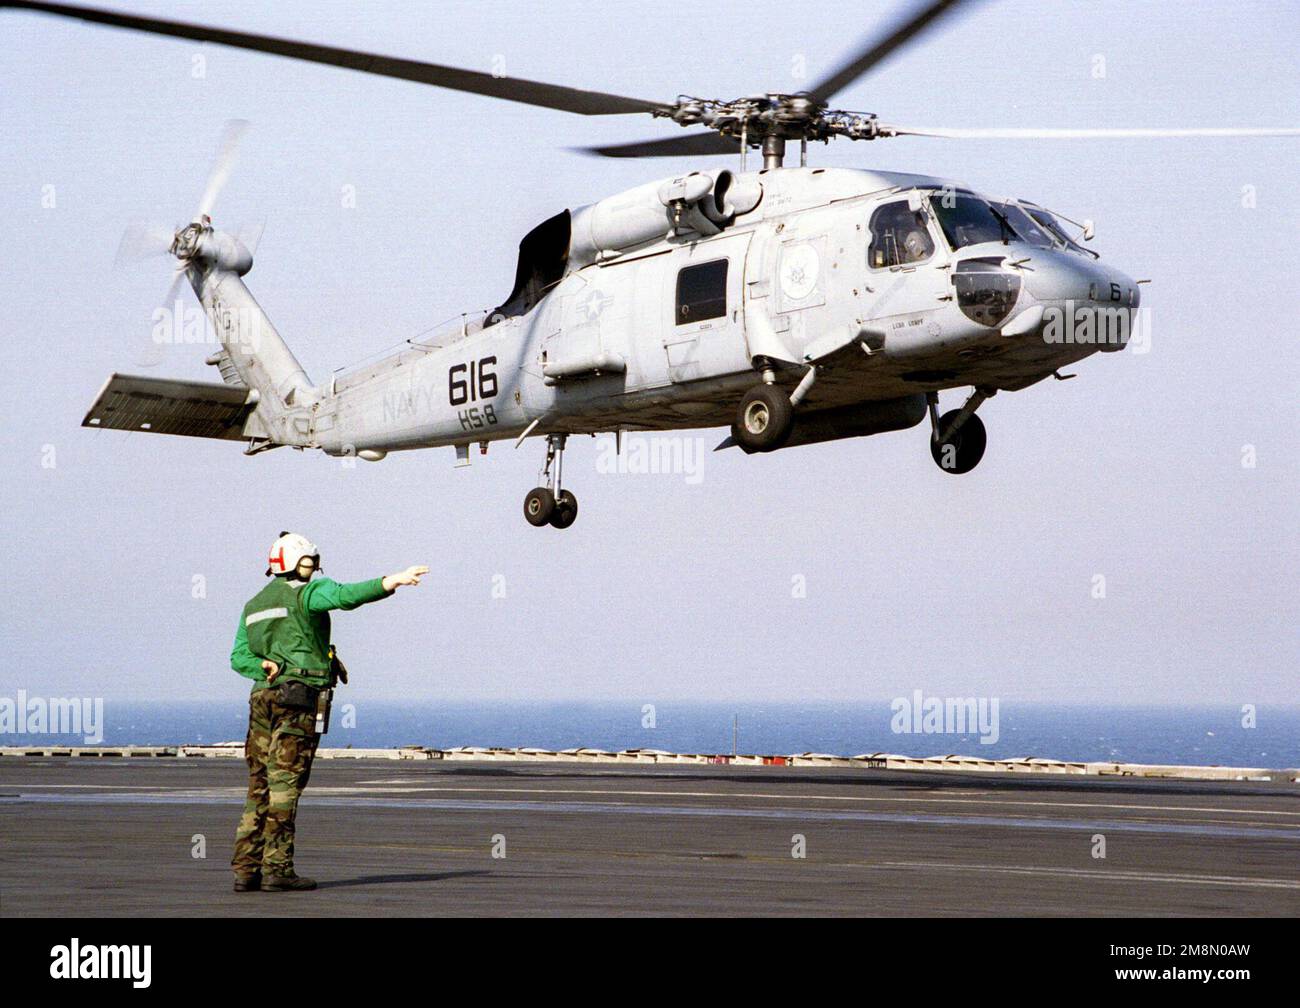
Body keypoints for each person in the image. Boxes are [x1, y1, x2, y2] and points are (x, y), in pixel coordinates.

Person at [229, 532, 427, 892]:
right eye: (310, 563)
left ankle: (245, 870)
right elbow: (345, 595)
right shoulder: (308, 593)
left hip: (262, 699)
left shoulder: (253, 605)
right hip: (299, 699)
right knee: (285, 785)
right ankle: (278, 870)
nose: (314, 569)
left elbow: (238, 657)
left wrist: (264, 666)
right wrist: (391, 581)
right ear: (293, 563)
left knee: (258, 784)